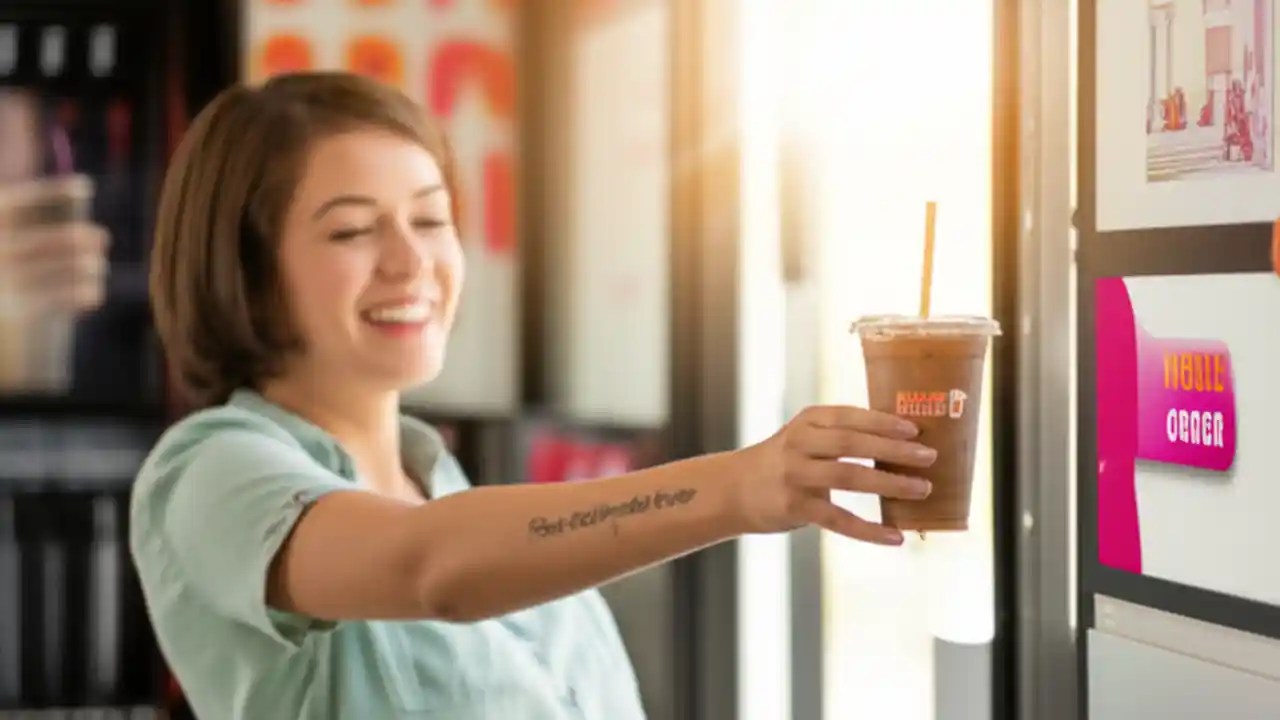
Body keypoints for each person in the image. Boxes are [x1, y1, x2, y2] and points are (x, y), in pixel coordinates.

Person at [129, 72, 938, 719]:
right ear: (246, 271)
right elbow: (428, 567)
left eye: (432, 219)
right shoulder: (212, 471)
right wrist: (740, 485)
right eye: (352, 230)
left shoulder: (447, 484)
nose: (412, 263)